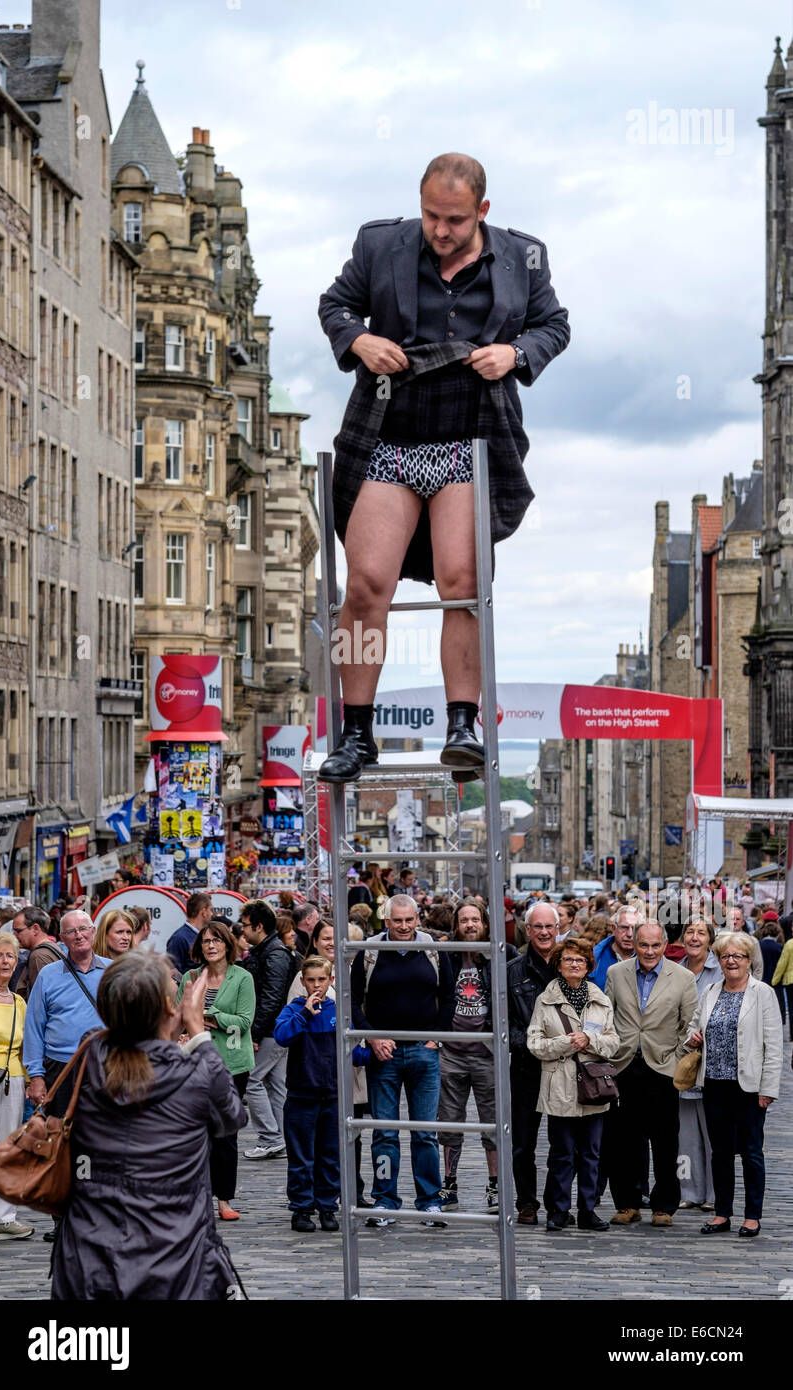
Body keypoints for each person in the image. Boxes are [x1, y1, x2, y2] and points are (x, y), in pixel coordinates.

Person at [317, 153, 570, 784]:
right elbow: (336, 305)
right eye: (431, 214)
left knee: (463, 583)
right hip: (390, 436)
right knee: (365, 586)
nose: (440, 229)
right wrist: (357, 340)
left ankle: (462, 725)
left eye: (454, 219)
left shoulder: (523, 258)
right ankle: (357, 732)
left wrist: (515, 353)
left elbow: (554, 326)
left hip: (470, 440)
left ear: (482, 211)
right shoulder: (380, 245)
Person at [51, 953, 247, 1299]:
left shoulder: (92, 1054)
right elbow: (232, 1116)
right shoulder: (192, 1072)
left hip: (89, 1254)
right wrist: (198, 1030)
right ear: (169, 1011)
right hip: (174, 1254)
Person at [351, 894, 454, 1226]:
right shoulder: (369, 952)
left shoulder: (434, 950)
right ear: (387, 921)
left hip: (425, 1052)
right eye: (398, 921)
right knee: (384, 1133)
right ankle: (385, 1199)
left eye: (410, 920)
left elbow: (449, 996)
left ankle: (428, 1200)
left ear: (418, 918)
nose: (405, 926)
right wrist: (372, 1036)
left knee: (425, 1132)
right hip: (385, 1053)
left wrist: (436, 1037)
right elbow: (353, 1001)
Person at [22, 909, 111, 1241]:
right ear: (62, 938)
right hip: (60, 1069)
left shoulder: (111, 972)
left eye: (83, 929)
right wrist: (36, 1076)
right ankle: (63, 1215)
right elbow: (34, 1027)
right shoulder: (49, 975)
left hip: (102, 1067)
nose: (78, 936)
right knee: (60, 1145)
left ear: (93, 932)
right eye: (71, 931)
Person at [687, 933, 783, 1238]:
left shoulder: (762, 994)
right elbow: (693, 1025)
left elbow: (774, 1045)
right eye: (725, 956)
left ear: (749, 960)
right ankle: (722, 1213)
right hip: (714, 1082)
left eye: (738, 956)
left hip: (749, 1086)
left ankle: (752, 1215)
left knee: (752, 1152)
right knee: (721, 1152)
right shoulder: (711, 991)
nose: (731, 961)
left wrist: (768, 1089)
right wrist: (692, 1037)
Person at [604, 922, 699, 1227]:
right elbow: (607, 1017)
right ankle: (627, 1204)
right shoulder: (616, 973)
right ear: (634, 943)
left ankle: (664, 1206)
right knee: (623, 1141)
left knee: (665, 1141)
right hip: (624, 1065)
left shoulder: (683, 978)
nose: (648, 951)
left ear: (664, 945)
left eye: (654, 946)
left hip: (663, 1068)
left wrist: (677, 1061)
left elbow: (690, 1024)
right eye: (642, 945)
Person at [526, 937, 620, 1231]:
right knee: (561, 1153)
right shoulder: (546, 999)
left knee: (592, 1153)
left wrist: (589, 1040)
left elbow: (613, 1041)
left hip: (593, 1087)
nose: (574, 964)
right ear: (559, 964)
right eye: (568, 959)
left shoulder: (600, 998)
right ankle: (559, 1209)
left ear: (589, 965)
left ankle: (588, 1210)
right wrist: (567, 1042)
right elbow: (535, 1043)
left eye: (580, 960)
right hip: (560, 1087)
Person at [274, 957, 368, 1231]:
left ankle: (327, 1206)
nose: (316, 985)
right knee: (301, 1157)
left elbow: (350, 1051)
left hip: (333, 1094)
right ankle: (302, 1208)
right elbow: (282, 1036)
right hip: (302, 1095)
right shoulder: (293, 1009)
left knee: (330, 1155)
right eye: (311, 980)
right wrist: (304, 1013)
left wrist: (372, 1053)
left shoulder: (339, 1011)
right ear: (303, 982)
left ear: (331, 981)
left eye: (321, 980)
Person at [438, 898, 515, 1211]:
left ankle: (494, 1184)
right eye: (464, 920)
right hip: (451, 1051)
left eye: (475, 920)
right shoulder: (448, 955)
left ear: (485, 923)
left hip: (487, 1051)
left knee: (492, 1122)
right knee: (448, 1120)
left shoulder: (501, 953)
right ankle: (450, 1183)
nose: (470, 925)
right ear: (456, 925)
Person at [178, 920, 255, 1221]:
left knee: (226, 1135)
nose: (211, 945)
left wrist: (210, 1016)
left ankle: (224, 1198)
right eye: (206, 941)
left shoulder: (242, 978)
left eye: (217, 940)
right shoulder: (190, 976)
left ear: (227, 945)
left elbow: (244, 1022)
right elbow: (181, 1017)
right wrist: (194, 1024)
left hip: (233, 1066)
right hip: (195, 1064)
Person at [0, 932, 34, 1244]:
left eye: (10, 956)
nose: (5, 961)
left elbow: (25, 1045)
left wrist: (28, 1079)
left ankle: (1, 1217)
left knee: (5, 1152)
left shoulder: (18, 1001)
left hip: (12, 1081)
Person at [507, 901, 558, 1223]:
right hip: (526, 1066)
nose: (543, 932)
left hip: (563, 1069)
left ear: (558, 929)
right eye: (537, 927)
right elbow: (503, 1024)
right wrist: (533, 1042)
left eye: (549, 926)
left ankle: (557, 1201)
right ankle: (526, 1202)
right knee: (523, 1143)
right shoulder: (512, 970)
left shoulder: (570, 964)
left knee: (562, 1142)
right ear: (527, 930)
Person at [240, 900, 296, 1160]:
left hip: (272, 1031)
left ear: (259, 927)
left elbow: (271, 998)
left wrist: (254, 1034)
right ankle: (281, 1138)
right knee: (276, 1084)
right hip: (275, 1030)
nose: (242, 930)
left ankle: (270, 1138)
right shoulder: (267, 951)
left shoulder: (274, 953)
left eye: (245, 925)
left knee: (251, 1081)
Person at [677, 919, 721, 1210]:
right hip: (681, 1060)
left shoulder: (721, 969)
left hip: (714, 1062)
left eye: (701, 933)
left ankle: (715, 1194)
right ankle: (689, 1192)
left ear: (710, 940)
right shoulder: (675, 970)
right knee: (685, 1135)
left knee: (713, 1133)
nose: (694, 938)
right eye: (689, 932)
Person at [11, 906, 62, 1001]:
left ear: (35, 929)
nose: (14, 935)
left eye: (18, 931)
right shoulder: (52, 948)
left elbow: (44, 999)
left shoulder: (38, 956)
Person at [589, 905, 639, 990]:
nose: (630, 934)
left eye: (635, 929)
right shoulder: (596, 957)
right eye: (624, 927)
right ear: (613, 928)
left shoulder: (647, 959)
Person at [166, 892, 213, 977]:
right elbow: (173, 974)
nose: (212, 914)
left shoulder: (202, 935)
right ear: (204, 912)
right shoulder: (179, 938)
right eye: (211, 910)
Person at [771, 931, 793, 1042]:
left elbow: (782, 963)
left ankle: (792, 1034)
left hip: (790, 980)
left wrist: (775, 980)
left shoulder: (789, 944)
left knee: (792, 1008)